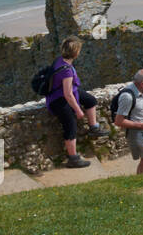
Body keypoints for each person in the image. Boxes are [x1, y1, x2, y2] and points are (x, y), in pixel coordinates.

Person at [45, 36, 107, 169]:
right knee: (70, 125)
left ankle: (94, 128)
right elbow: (67, 94)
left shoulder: (59, 61)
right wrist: (78, 110)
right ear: (76, 52)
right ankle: (73, 159)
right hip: (58, 99)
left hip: (66, 93)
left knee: (91, 100)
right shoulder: (66, 70)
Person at [113, 69, 143, 175]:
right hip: (139, 134)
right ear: (142, 83)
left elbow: (136, 109)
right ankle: (141, 180)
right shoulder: (128, 97)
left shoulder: (141, 90)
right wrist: (140, 125)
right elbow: (118, 121)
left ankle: (139, 181)